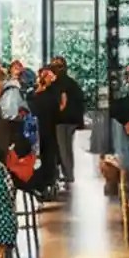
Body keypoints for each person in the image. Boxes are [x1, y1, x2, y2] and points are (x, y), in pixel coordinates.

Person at [50, 56, 86, 186]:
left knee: (63, 147)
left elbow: (63, 100)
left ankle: (68, 175)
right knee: (67, 147)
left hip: (62, 119)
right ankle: (69, 173)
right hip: (72, 119)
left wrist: (57, 111)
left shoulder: (59, 82)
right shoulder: (71, 82)